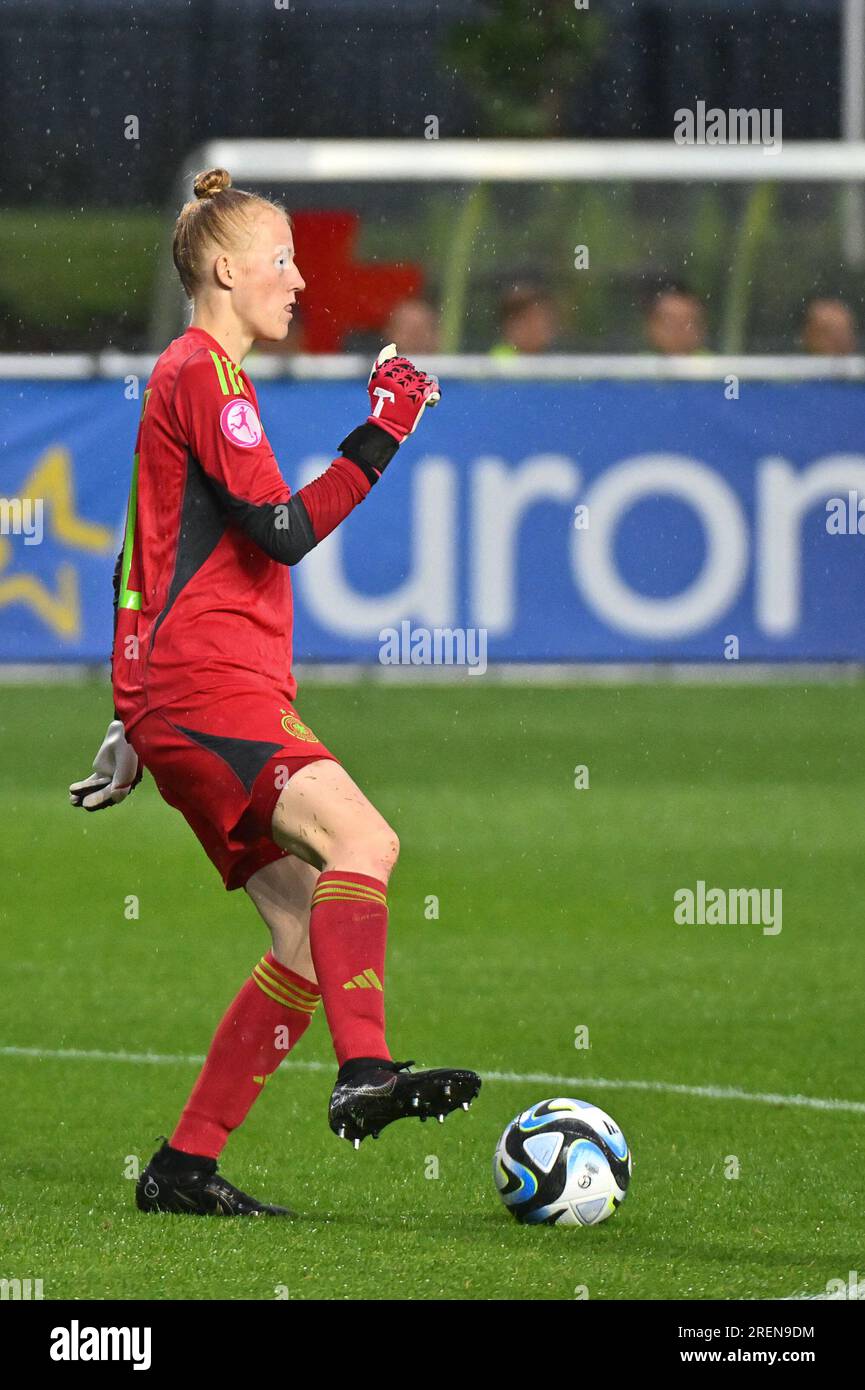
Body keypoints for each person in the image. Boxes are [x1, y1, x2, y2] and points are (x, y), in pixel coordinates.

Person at [68, 168, 480, 1218]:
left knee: (300, 937)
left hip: (186, 695)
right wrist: (384, 430)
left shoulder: (193, 379)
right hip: (212, 687)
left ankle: (183, 1168)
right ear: (223, 268)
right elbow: (281, 532)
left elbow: (138, 551)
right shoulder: (199, 372)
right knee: (367, 843)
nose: (298, 280)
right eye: (281, 259)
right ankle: (365, 1069)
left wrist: (129, 714)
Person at [491, 283, 559, 356]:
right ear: (508, 325)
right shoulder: (496, 363)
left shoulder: (556, 361)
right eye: (530, 320)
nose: (537, 327)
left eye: (543, 320)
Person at [643, 283, 709, 355]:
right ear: (652, 326)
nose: (678, 329)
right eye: (670, 321)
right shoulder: (637, 363)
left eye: (686, 321)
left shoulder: (715, 364)